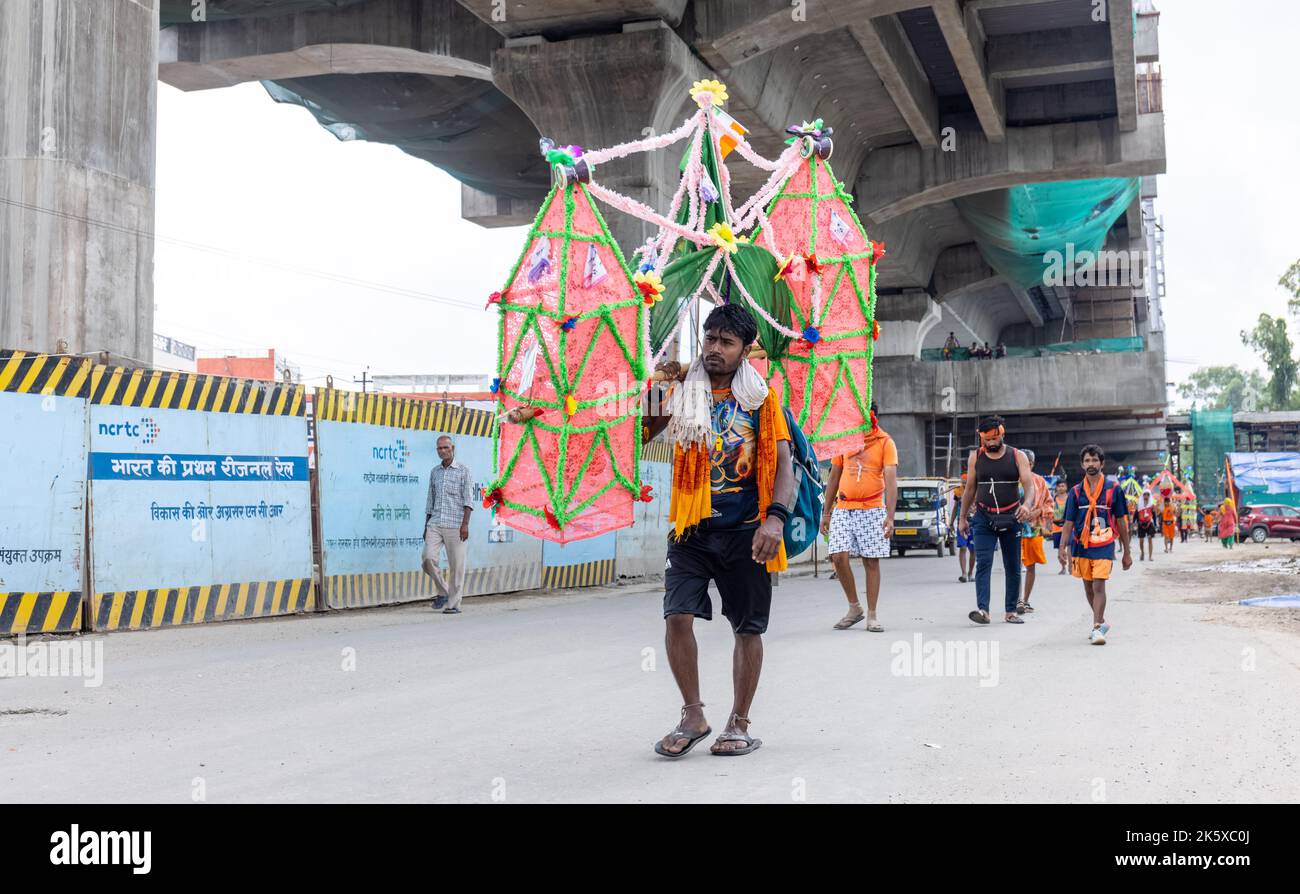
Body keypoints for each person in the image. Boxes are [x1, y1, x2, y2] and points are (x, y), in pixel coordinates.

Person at [643, 304, 794, 759]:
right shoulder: (680, 390)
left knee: (747, 628)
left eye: (726, 342)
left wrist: (775, 518)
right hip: (690, 528)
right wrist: (657, 385)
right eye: (709, 339)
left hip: (747, 531)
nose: (714, 349)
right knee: (677, 617)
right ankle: (693, 714)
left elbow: (785, 464)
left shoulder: (762, 399)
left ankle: (739, 723)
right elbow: (644, 433)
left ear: (745, 350)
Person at [822, 404, 897, 633]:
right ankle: (854, 607)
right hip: (844, 506)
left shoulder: (885, 442)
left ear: (872, 418)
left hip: (873, 508)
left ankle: (872, 616)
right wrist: (826, 513)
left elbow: (891, 481)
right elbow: (834, 476)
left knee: (871, 560)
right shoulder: (844, 439)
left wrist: (890, 516)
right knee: (838, 555)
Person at [956, 415, 1037, 625]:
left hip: (1012, 516)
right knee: (984, 562)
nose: (990, 443)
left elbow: (1029, 486)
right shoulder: (976, 457)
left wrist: (1027, 505)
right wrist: (962, 518)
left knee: (1012, 565)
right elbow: (970, 489)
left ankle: (1011, 611)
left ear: (1002, 433)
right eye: (986, 440)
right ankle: (983, 610)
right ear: (981, 438)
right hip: (984, 517)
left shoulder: (1017, 456)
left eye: (994, 439)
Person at [1057, 444, 1132, 645]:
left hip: (1105, 543)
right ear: (1082, 464)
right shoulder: (1075, 492)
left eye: (1095, 460)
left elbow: (1122, 522)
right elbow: (1068, 522)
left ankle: (1097, 628)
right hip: (1081, 545)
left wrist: (1127, 552)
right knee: (1088, 587)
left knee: (1099, 585)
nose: (1091, 464)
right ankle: (1102, 622)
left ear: (1102, 463)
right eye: (1087, 461)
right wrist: (1062, 547)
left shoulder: (1113, 489)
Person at [422, 435, 474, 614]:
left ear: (453, 448)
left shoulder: (463, 471)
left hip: (456, 525)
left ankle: (453, 605)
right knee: (428, 558)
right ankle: (444, 591)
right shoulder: (434, 472)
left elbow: (468, 500)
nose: (442, 451)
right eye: (439, 448)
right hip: (435, 522)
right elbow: (431, 500)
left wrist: (465, 525)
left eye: (446, 447)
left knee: (457, 566)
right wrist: (426, 525)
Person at [1017, 449, 1052, 614]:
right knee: (1014, 566)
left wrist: (1037, 512)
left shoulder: (1040, 482)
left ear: (1032, 464)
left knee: (1030, 566)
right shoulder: (1010, 481)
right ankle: (1016, 600)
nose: (1024, 466)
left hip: (1033, 530)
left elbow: (1049, 504)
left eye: (1028, 463)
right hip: (1013, 529)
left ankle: (1025, 600)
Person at [949, 472, 975, 582]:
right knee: (963, 547)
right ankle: (964, 573)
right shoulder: (958, 492)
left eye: (966, 483)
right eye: (962, 482)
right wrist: (951, 523)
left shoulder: (976, 490)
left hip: (974, 523)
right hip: (961, 522)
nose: (964, 484)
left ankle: (970, 573)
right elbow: (955, 508)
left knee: (973, 550)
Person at [1050, 479, 1069, 575]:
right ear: (1056, 488)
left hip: (1069, 527)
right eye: (1059, 486)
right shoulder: (1052, 499)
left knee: (1070, 546)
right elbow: (1049, 513)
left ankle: (1071, 567)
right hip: (1056, 527)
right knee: (1059, 550)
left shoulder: (1070, 498)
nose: (1061, 488)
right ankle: (1063, 567)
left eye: (1063, 486)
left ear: (1066, 487)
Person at [1134, 489, 1156, 561]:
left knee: (1150, 539)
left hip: (1149, 523)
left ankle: (1150, 556)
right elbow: (1136, 515)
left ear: (1149, 496)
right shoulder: (1139, 505)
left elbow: (1154, 515)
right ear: (1143, 495)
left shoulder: (1152, 505)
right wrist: (1134, 523)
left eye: (1147, 494)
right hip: (1141, 524)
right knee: (1141, 540)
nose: (1146, 496)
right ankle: (1142, 553)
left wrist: (1155, 524)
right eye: (1145, 494)